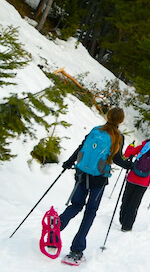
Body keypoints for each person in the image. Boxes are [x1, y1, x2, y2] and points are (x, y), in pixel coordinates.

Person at [59, 107, 132, 266]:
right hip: (98, 179)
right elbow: (118, 159)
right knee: (90, 211)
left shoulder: (95, 130)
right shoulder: (118, 137)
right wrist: (129, 165)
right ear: (121, 120)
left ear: (108, 116)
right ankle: (76, 250)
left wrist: (69, 162)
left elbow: (81, 147)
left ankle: (57, 225)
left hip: (81, 173)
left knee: (76, 205)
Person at [119, 133, 150, 232]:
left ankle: (122, 219)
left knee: (126, 199)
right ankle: (127, 226)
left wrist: (131, 146)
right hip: (143, 182)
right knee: (134, 204)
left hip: (132, 178)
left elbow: (128, 154)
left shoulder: (144, 146)